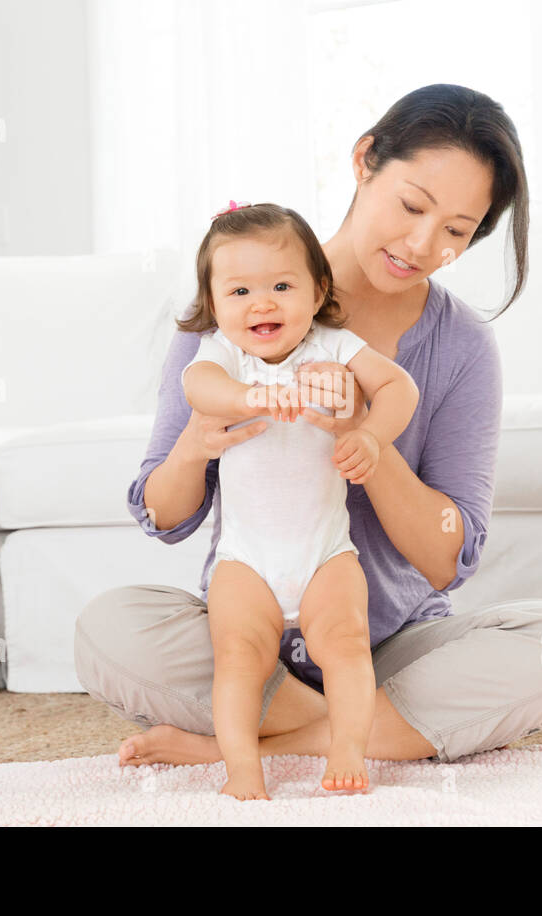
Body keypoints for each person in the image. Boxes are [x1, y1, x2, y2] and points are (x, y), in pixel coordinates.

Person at [75, 83, 542, 775]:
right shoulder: (236, 305)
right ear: (365, 160)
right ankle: (365, 728)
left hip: (393, 648)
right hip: (247, 636)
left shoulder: (461, 348)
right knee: (109, 631)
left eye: (456, 231)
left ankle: (243, 742)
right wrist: (198, 438)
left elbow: (450, 556)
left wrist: (364, 431)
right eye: (412, 205)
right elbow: (163, 516)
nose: (421, 244)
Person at [180, 201, 419, 798]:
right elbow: (197, 386)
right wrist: (248, 400)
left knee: (344, 644)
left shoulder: (334, 348)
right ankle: (242, 770)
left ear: (316, 293)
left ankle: (345, 749)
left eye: (282, 285)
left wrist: (368, 434)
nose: (262, 303)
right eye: (239, 291)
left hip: (325, 555)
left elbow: (398, 386)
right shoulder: (224, 358)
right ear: (214, 305)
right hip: (246, 560)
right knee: (237, 658)